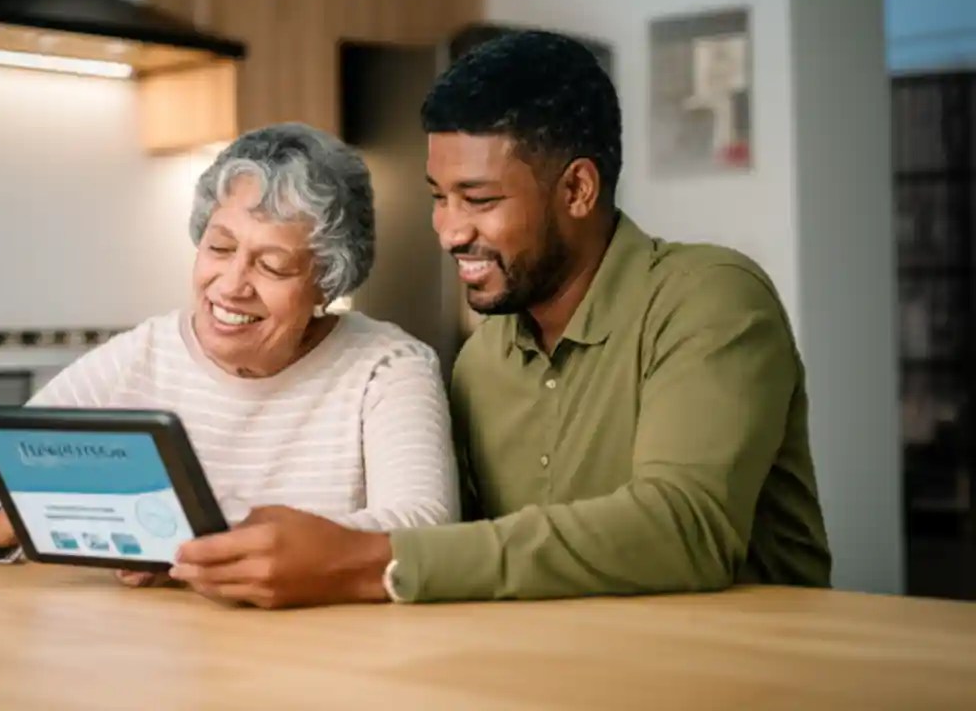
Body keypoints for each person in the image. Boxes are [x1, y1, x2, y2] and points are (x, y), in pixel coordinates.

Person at [168, 30, 832, 607]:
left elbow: (684, 530)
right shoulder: (482, 362)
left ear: (577, 189)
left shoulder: (711, 298)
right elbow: (475, 560)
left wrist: (369, 560)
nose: (450, 231)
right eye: (439, 198)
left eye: (479, 200)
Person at [0, 123, 459, 568]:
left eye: (272, 265)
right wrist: (34, 520)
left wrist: (201, 541)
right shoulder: (139, 357)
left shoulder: (387, 368)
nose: (232, 284)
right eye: (220, 247)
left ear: (328, 283)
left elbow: (426, 524)